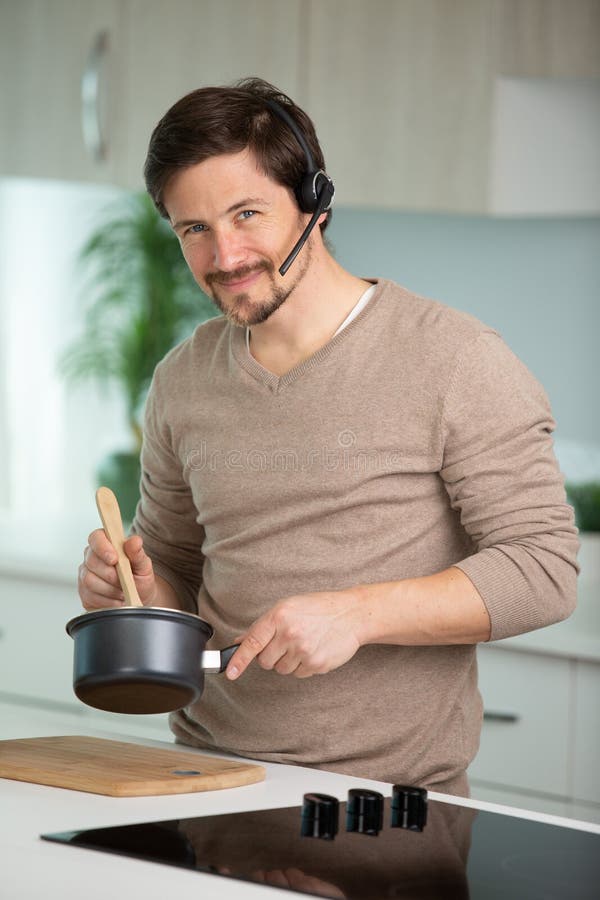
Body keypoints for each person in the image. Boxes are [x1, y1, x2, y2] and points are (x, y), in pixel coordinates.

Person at [77, 77, 579, 796]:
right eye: (194, 229)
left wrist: (359, 614)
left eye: (247, 214)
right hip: (204, 779)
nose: (225, 255)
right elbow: (179, 565)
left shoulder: (455, 359)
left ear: (314, 199)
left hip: (386, 804)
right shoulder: (182, 380)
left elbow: (544, 571)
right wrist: (142, 587)